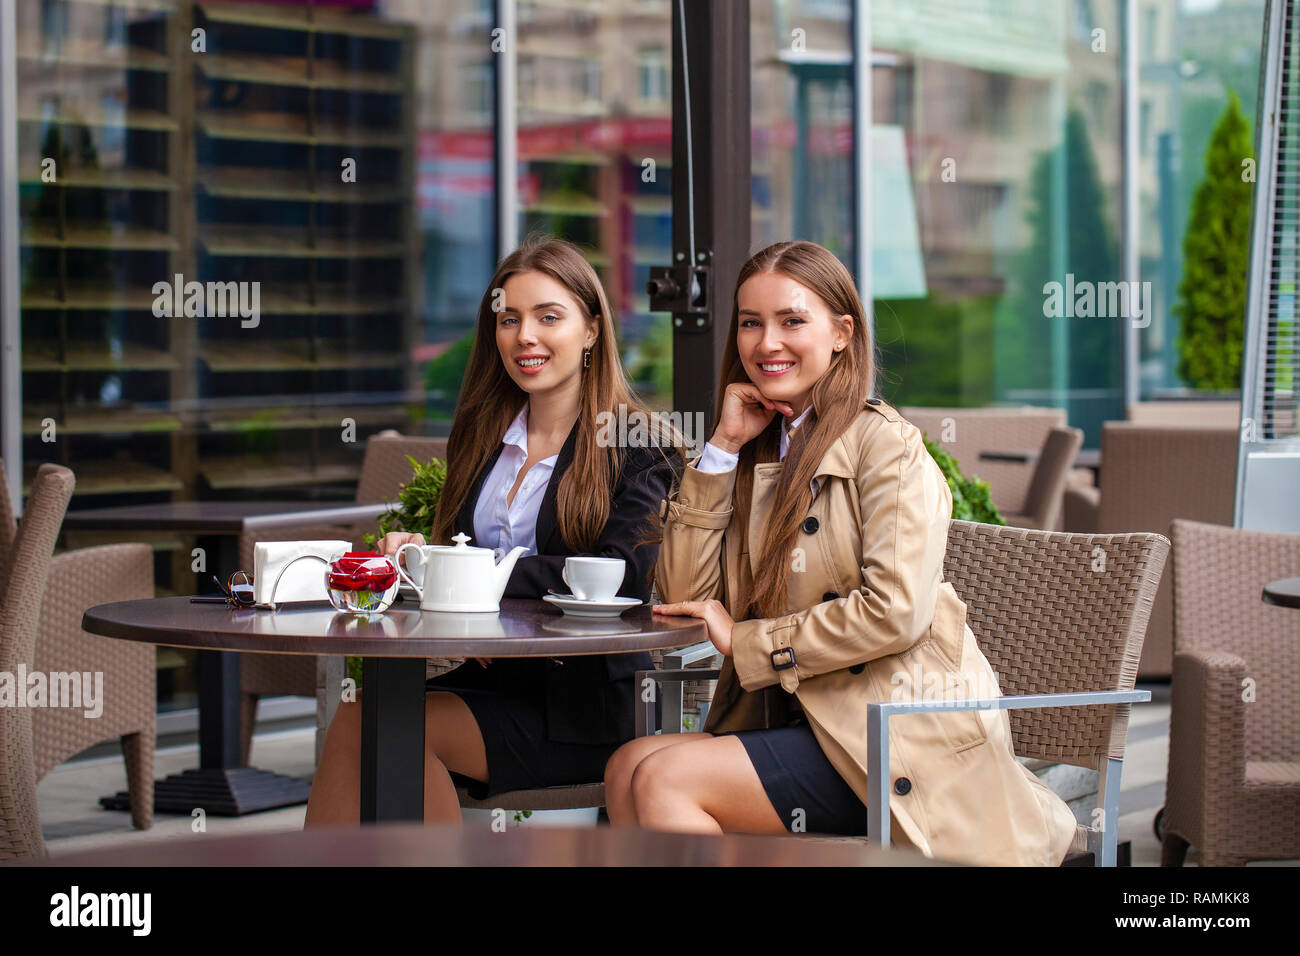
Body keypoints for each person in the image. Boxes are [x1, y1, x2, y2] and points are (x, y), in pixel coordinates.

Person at [603, 240, 1079, 866]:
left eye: (792, 320)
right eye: (751, 322)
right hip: (799, 721)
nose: (767, 342)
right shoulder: (755, 449)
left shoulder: (888, 448)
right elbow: (686, 595)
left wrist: (751, 642)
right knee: (627, 765)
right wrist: (718, 451)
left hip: (891, 735)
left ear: (842, 334)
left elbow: (895, 611)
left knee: (665, 778)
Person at [305, 236, 682, 826]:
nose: (524, 336)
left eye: (547, 317)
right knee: (361, 721)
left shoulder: (640, 444)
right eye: (509, 319)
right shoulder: (481, 438)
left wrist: (478, 577)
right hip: (487, 679)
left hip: (585, 701)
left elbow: (623, 576)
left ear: (590, 330)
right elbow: (455, 555)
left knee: (394, 729)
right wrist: (419, 558)